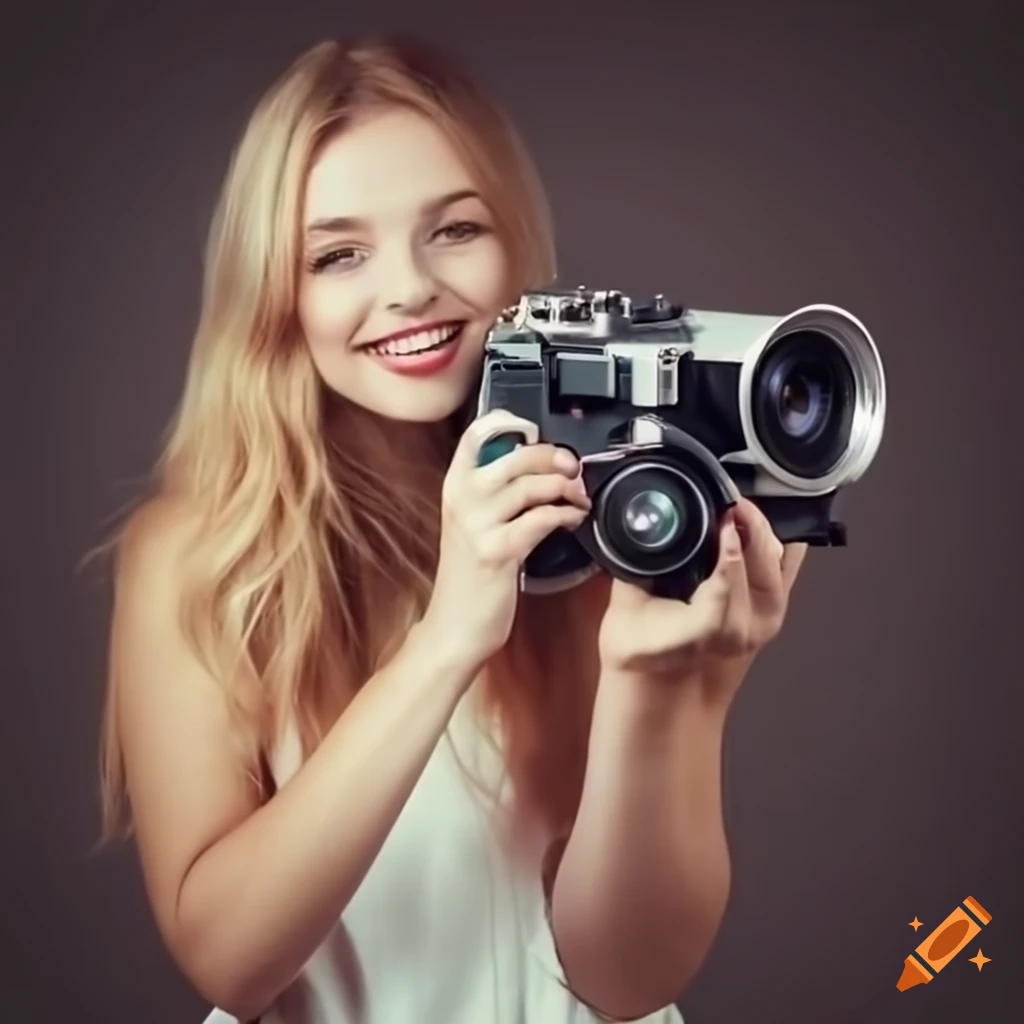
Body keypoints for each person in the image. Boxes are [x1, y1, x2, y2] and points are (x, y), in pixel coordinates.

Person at [95, 34, 807, 1024]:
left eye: (455, 229)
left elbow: (626, 981)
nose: (409, 289)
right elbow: (229, 961)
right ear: (277, 294)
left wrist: (671, 690)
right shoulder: (197, 553)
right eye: (339, 254)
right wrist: (447, 639)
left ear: (514, 244)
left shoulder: (609, 512)